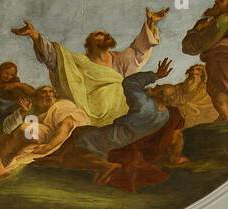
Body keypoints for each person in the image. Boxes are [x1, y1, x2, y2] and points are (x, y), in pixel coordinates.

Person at [11, 9, 169, 129]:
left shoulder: (120, 58)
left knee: (119, 88)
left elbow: (139, 49)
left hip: (120, 106)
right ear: (91, 43)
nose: (105, 35)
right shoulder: (80, 61)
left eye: (106, 34)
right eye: (99, 34)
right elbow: (56, 57)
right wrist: (35, 36)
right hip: (89, 107)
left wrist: (151, 22)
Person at [170, 63, 219, 127]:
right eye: (192, 69)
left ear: (202, 73)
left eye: (198, 69)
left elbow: (206, 102)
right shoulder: (181, 86)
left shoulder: (205, 88)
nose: (194, 71)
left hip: (199, 112)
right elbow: (175, 95)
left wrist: (189, 104)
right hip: (183, 111)